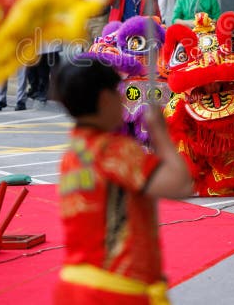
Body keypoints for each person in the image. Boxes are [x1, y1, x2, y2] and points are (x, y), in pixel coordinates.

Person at [52, 59, 192, 304]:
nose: (124, 101)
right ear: (106, 99)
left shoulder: (72, 154)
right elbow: (180, 185)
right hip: (114, 290)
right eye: (120, 95)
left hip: (71, 287)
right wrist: (161, 135)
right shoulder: (114, 151)